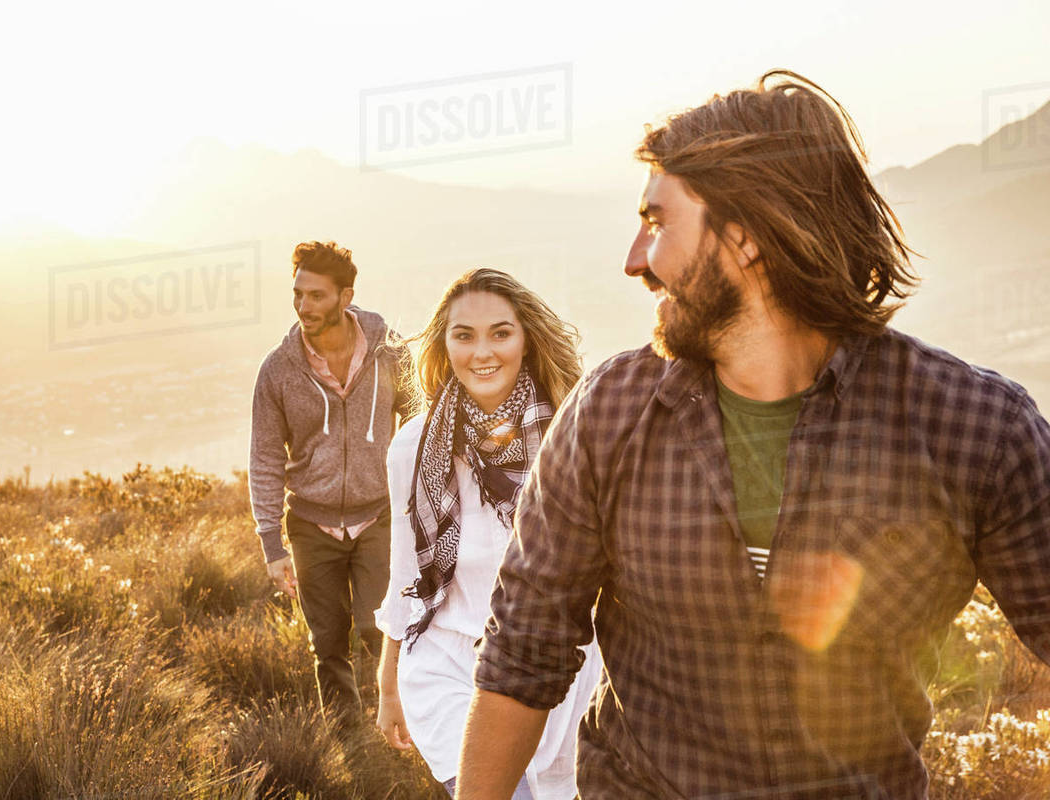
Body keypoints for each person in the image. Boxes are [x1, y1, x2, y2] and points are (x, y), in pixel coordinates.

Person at [456, 71, 1050, 799]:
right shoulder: (607, 414)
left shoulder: (976, 429)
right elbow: (522, 659)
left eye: (658, 222)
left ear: (746, 237)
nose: (635, 260)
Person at [374, 268, 603, 799]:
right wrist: (388, 685)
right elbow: (406, 575)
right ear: (444, 345)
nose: (482, 352)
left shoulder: (571, 435)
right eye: (464, 335)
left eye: (500, 333)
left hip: (561, 671)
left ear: (526, 340)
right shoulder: (413, 448)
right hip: (452, 670)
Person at [249, 240, 413, 722]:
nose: (304, 306)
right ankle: (348, 740)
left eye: (316, 296)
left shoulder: (388, 351)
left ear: (345, 297)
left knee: (381, 627)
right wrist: (271, 545)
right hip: (310, 524)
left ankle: (409, 723)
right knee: (327, 642)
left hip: (378, 515)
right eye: (298, 294)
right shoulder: (278, 370)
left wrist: (415, 496)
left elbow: (419, 418)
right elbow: (264, 459)